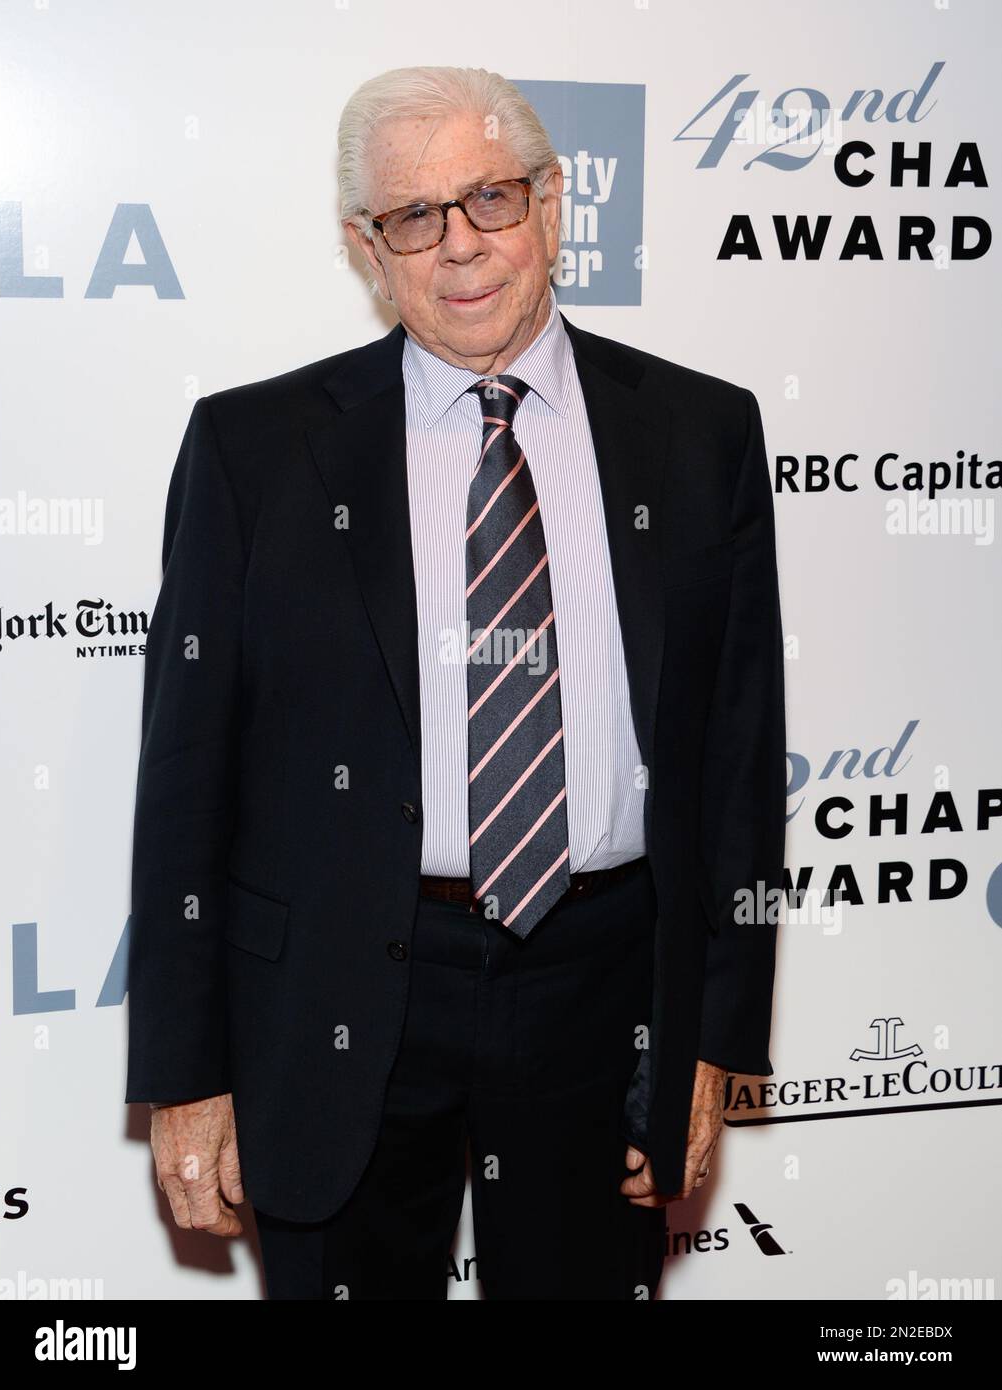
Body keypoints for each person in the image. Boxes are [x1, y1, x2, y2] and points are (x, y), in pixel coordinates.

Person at [125, 64, 786, 1301]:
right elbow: (183, 787)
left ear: (551, 202)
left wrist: (715, 1042)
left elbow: (742, 764)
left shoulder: (702, 437)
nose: (460, 247)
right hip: (339, 988)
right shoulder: (254, 452)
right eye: (413, 218)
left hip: (607, 982)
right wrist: (184, 1072)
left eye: (488, 198)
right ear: (366, 248)